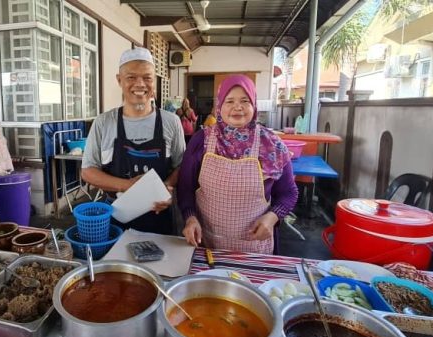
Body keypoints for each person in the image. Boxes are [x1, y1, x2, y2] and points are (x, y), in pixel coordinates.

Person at [177, 74, 298, 254]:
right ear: (219, 105)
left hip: (255, 247)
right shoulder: (201, 140)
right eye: (229, 101)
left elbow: (289, 193)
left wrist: (273, 217)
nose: (237, 107)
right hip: (208, 244)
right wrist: (190, 218)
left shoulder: (271, 144)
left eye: (244, 101)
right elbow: (185, 187)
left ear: (254, 105)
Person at [81, 47, 185, 235]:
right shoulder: (104, 122)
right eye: (131, 77)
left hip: (159, 216)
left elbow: (181, 166)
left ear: (154, 82)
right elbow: (88, 172)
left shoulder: (171, 122)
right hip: (115, 216)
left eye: (147, 78)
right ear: (119, 80)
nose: (140, 84)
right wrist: (128, 186)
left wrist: (168, 187)